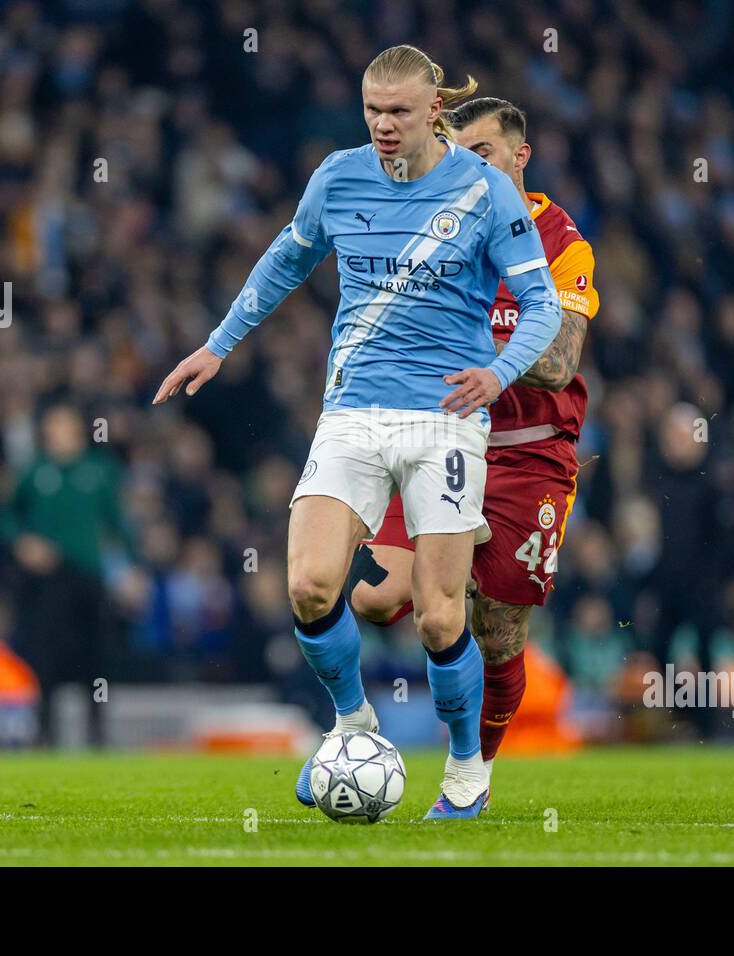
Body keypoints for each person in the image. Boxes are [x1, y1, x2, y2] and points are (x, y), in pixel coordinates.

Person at [153, 47, 562, 818]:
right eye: (373, 110)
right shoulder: (337, 176)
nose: (382, 125)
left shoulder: (482, 191)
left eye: (399, 112)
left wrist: (499, 375)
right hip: (352, 411)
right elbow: (287, 258)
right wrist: (218, 344)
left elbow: (540, 304)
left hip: (444, 419)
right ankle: (353, 724)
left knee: (441, 615)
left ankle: (467, 768)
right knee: (309, 585)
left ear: (433, 111)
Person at [350, 98, 598, 790]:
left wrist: (467, 340)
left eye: (480, 153)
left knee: (499, 638)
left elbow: (560, 363)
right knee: (372, 600)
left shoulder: (561, 241)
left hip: (527, 452)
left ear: (521, 156)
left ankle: (473, 771)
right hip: (445, 440)